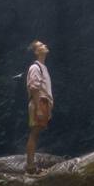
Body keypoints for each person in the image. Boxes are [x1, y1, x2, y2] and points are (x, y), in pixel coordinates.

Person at [25, 40, 53, 174]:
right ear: (36, 52)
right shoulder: (35, 67)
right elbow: (34, 88)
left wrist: (49, 108)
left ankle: (31, 166)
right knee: (34, 133)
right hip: (39, 102)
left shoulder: (43, 67)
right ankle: (30, 167)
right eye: (41, 45)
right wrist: (38, 108)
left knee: (36, 133)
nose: (45, 46)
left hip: (43, 102)